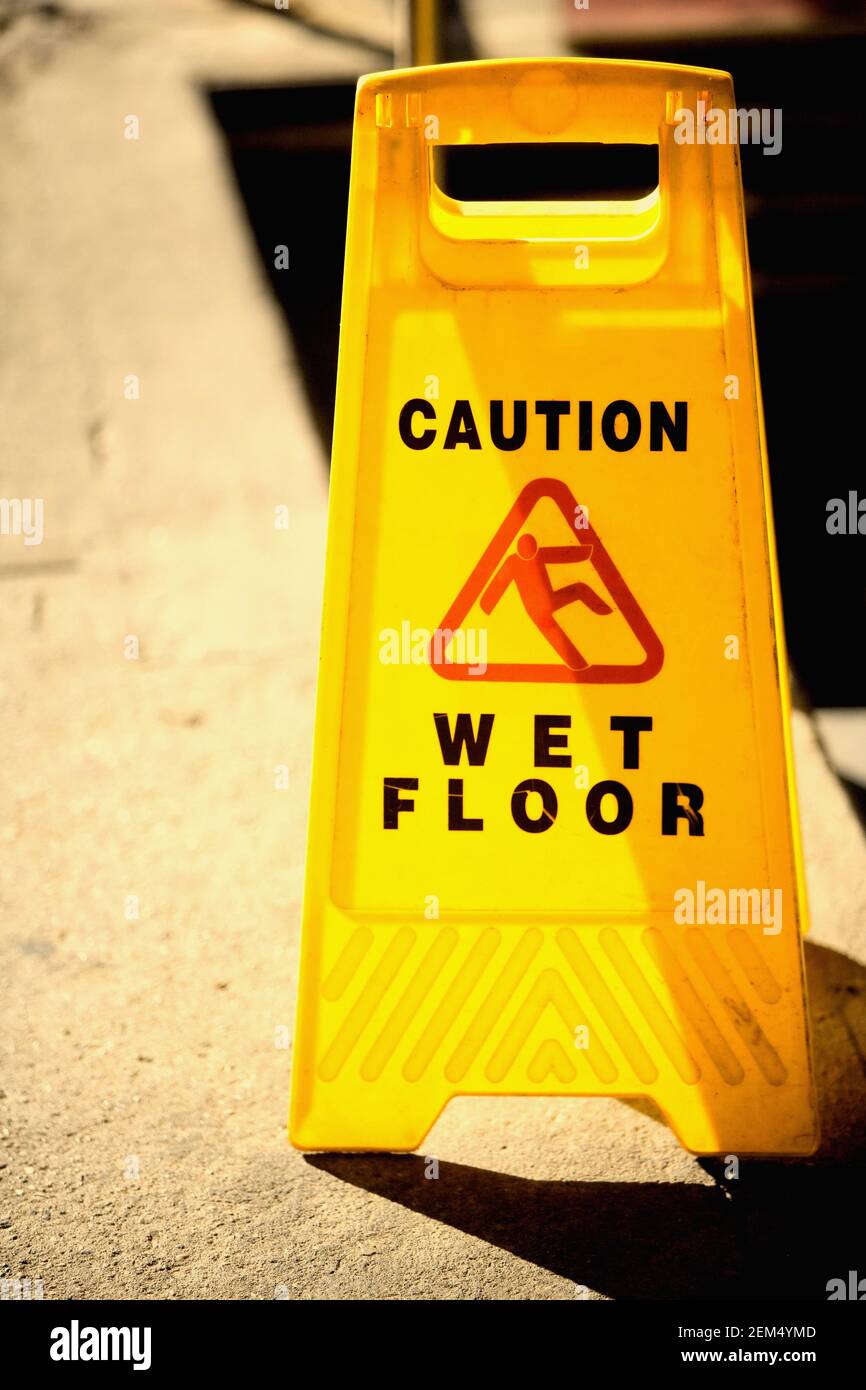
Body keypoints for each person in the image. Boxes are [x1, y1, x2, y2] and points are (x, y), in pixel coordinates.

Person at [480, 532, 611, 671]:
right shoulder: (513, 562)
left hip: (550, 598)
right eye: (525, 548)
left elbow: (562, 554)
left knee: (579, 589)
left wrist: (586, 552)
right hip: (536, 609)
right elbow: (498, 584)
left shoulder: (539, 555)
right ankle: (579, 664)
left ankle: (606, 612)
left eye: (531, 547)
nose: (528, 551)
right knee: (555, 634)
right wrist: (487, 605)